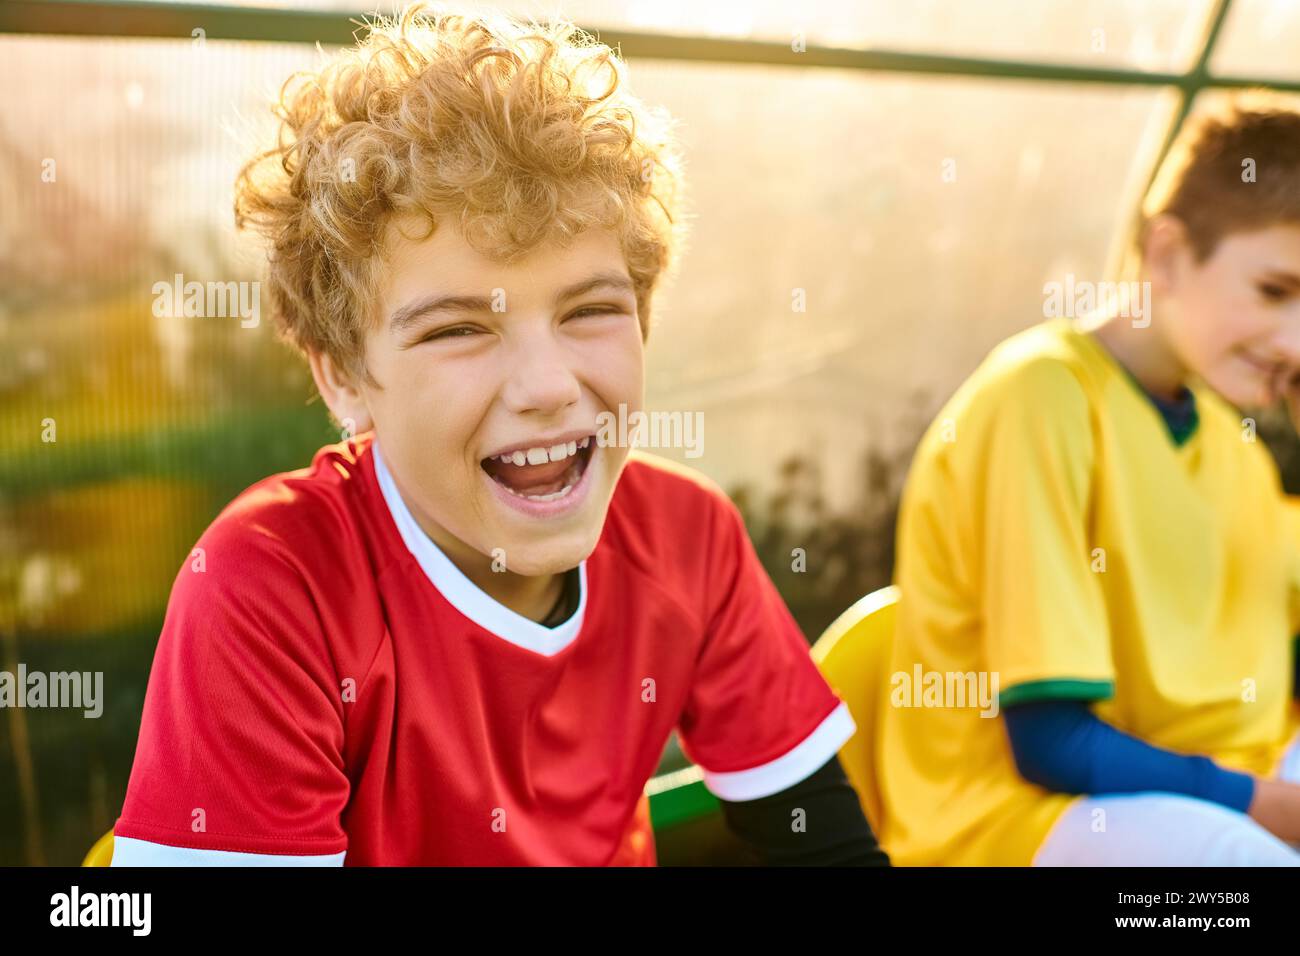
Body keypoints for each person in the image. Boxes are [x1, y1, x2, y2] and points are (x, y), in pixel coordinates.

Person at [111, 3, 886, 867]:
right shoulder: (270, 590)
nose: (550, 385)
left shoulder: (688, 538)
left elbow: (823, 843)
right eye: (457, 330)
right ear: (341, 374)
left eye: (591, 310)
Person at [880, 93, 1300, 866]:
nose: (1294, 340)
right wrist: (1269, 807)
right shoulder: (1041, 396)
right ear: (1167, 255)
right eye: (1275, 291)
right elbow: (1051, 745)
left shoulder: (1238, 452)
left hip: (1214, 786)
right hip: (1023, 822)